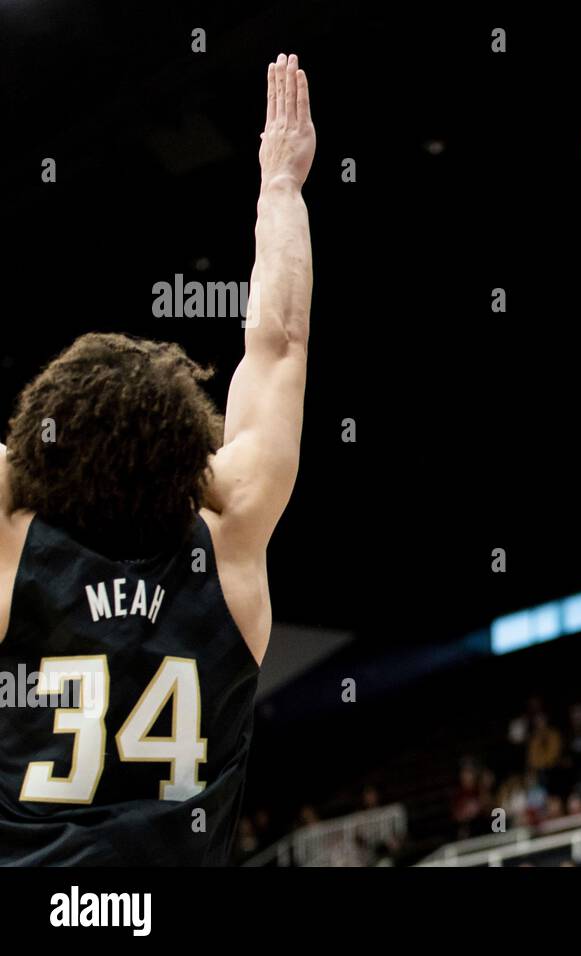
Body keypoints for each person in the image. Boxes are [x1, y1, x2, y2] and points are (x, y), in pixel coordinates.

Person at [0, 53, 315, 864]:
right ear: (190, 453)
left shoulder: (14, 552)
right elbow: (279, 346)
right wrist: (279, 186)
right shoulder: (232, 539)